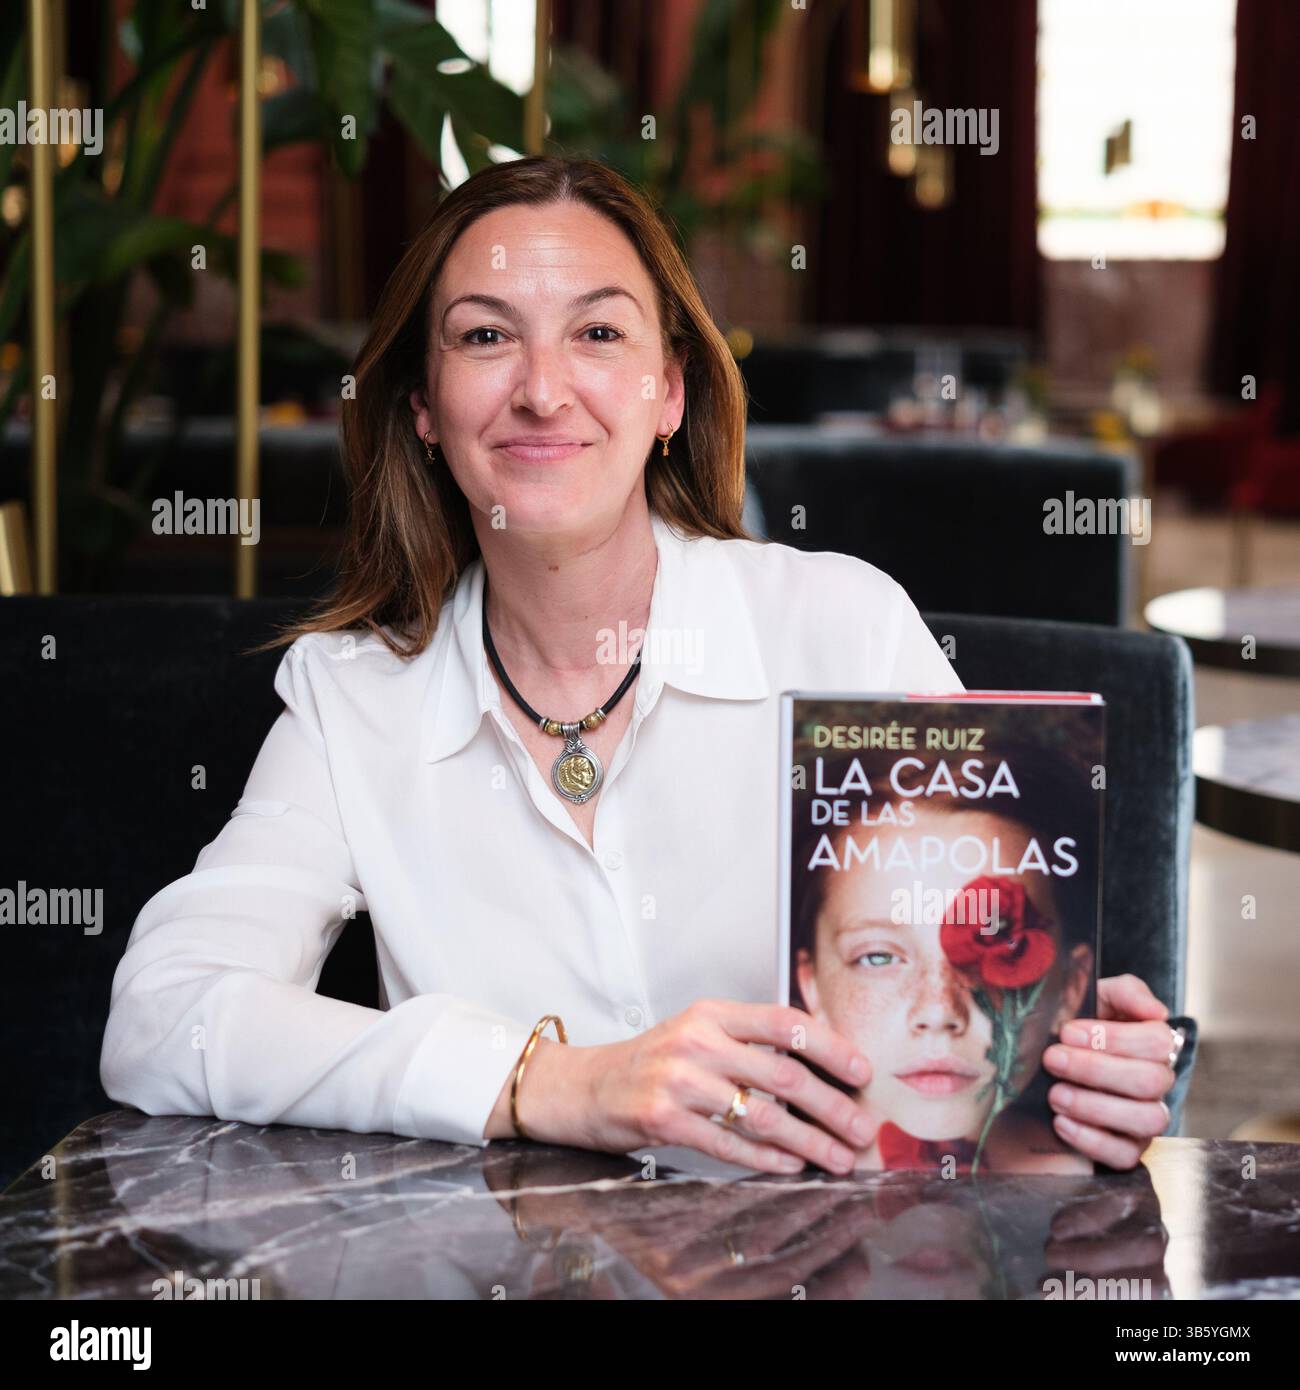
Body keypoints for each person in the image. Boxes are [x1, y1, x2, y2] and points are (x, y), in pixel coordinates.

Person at [100, 155, 1181, 1179]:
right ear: (421, 410)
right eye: (485, 336)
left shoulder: (839, 626)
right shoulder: (353, 698)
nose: (542, 389)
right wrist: (546, 1081)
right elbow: (165, 1014)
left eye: (598, 333)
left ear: (670, 391)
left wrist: (1081, 1077)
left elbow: (979, 990)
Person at [792, 744, 1101, 1174]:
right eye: (878, 957)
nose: (939, 1012)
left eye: (991, 946)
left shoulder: (1093, 1187)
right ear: (811, 986)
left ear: (1072, 986)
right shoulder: (747, 1179)